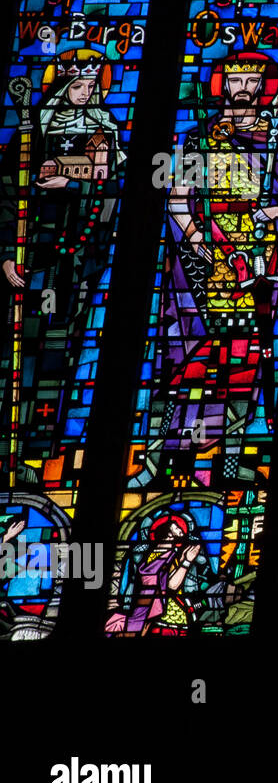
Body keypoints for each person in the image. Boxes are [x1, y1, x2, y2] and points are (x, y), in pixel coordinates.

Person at [154, 51, 278, 484]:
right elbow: (177, 199)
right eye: (236, 79)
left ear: (263, 87)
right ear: (223, 85)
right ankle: (175, 457)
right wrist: (198, 240)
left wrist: (268, 217)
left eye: (254, 80)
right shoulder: (199, 140)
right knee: (195, 360)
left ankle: (226, 462)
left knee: (246, 363)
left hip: (254, 266)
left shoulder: (276, 142)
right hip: (204, 268)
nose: (245, 87)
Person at [0, 49, 125, 479]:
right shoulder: (32, 131)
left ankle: (36, 452)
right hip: (29, 255)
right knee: (17, 351)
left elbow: (112, 196)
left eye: (92, 87)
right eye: (78, 86)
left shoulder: (104, 132)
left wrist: (73, 182)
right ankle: (5, 446)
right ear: (60, 86)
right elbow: (7, 193)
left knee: (58, 351)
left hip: (74, 262)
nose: (86, 94)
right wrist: (3, 254)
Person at [105, 513, 210, 636]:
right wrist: (186, 561)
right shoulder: (147, 555)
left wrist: (186, 561)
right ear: (168, 532)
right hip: (149, 610)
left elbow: (172, 586)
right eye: (176, 527)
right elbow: (169, 585)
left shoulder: (173, 554)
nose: (181, 529)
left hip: (169, 612)